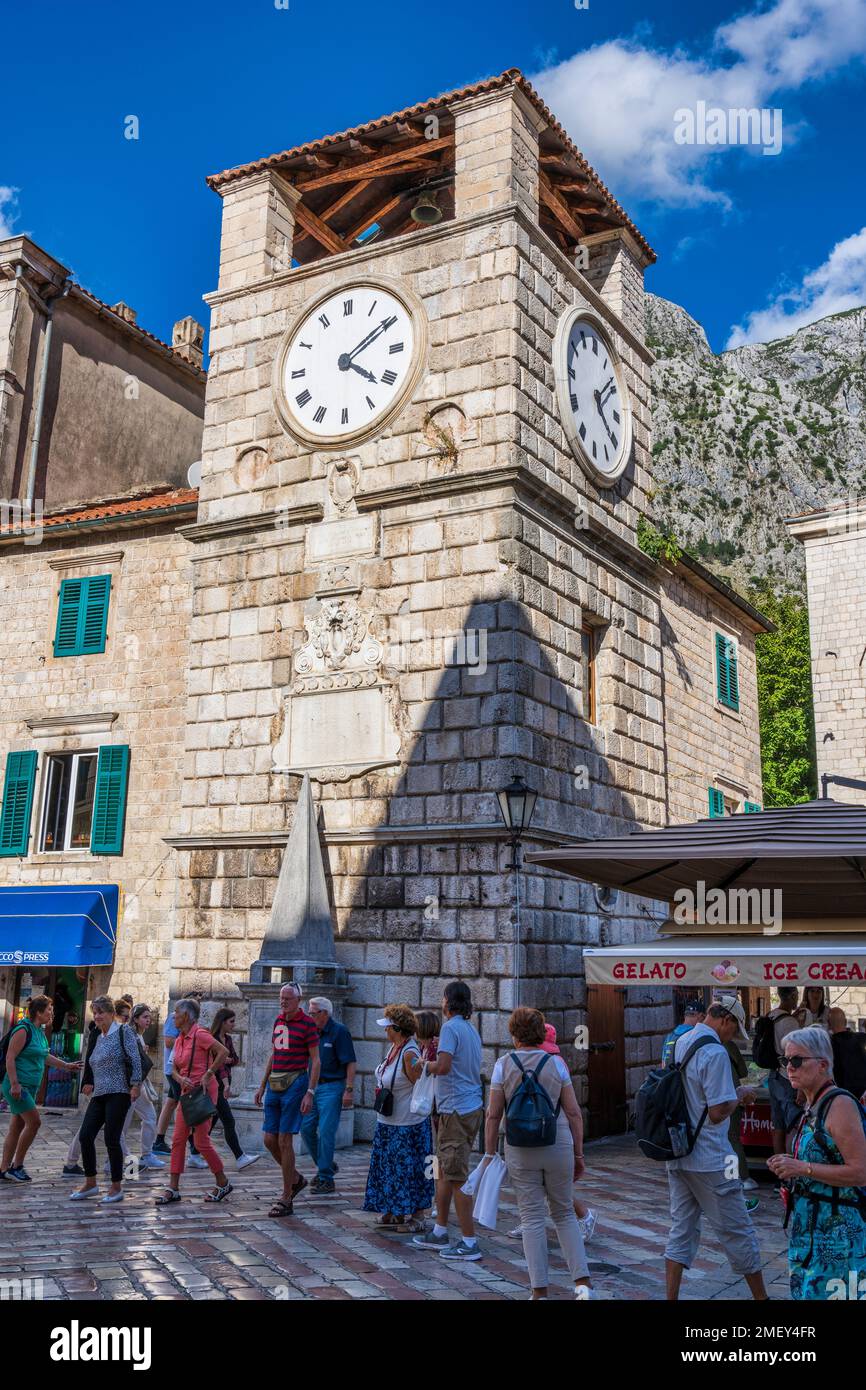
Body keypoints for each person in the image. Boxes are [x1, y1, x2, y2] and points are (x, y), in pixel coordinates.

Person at [486, 1007, 594, 1300]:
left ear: (514, 1034)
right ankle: (583, 1286)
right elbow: (574, 1113)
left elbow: (493, 1115)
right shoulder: (556, 1063)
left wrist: (489, 1153)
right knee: (564, 1213)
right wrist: (579, 1154)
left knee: (532, 1218)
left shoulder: (503, 1065)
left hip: (520, 1147)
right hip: (557, 1142)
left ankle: (539, 1292)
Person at [664, 999, 769, 1301]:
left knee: (681, 1230)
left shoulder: (681, 1042)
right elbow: (717, 1112)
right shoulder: (715, 1052)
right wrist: (741, 1095)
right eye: (734, 1030)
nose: (732, 1037)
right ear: (726, 1020)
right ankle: (762, 1299)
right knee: (738, 1229)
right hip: (711, 1157)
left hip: (679, 1152)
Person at [768, 1027, 866, 1299]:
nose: (789, 1067)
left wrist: (803, 1168)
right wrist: (792, 1164)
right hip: (810, 1231)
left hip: (837, 1237)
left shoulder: (840, 1105)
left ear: (823, 1064)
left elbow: (861, 1171)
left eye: (797, 1060)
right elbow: (825, 1156)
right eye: (786, 1060)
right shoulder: (812, 1104)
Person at [412, 980, 484, 1260]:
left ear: (448, 1001)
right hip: (465, 1106)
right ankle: (440, 1231)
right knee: (442, 1170)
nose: (441, 1003)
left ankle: (469, 1242)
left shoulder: (450, 1028)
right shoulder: (469, 1029)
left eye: (443, 998)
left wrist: (424, 1065)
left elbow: (443, 1067)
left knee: (456, 1176)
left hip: (455, 1109)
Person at [362, 1004, 434, 1232]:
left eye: (388, 1027)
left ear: (398, 1029)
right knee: (390, 1169)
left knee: (411, 1170)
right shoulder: (394, 1048)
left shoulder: (409, 1053)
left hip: (407, 1124)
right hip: (389, 1122)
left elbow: (418, 1083)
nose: (385, 1030)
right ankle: (394, 1211)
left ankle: (418, 1216)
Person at [154, 998, 232, 1206]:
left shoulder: (200, 1034)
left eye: (176, 1012)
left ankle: (223, 1181)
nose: (173, 1016)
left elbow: (223, 1052)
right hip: (187, 1093)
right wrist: (180, 1079)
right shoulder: (180, 1038)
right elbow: (174, 1068)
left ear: (187, 1016)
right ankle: (173, 1188)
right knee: (178, 1139)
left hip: (203, 1093)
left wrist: (208, 1073)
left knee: (200, 1141)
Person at [255, 983, 320, 1218]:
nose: (283, 1002)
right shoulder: (278, 1021)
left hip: (295, 1084)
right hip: (275, 1083)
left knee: (285, 1140)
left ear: (298, 1000)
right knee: (269, 1139)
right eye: (281, 998)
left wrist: (310, 1092)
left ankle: (286, 1196)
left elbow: (316, 1060)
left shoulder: (308, 1024)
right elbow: (274, 1054)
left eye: (288, 998)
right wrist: (262, 1085)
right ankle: (294, 1178)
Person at [70, 995, 142, 1204]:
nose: (97, 1016)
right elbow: (91, 1060)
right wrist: (88, 1081)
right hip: (100, 1094)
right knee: (86, 1136)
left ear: (111, 1013)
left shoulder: (123, 1031)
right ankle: (91, 1183)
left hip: (119, 1093)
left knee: (112, 1138)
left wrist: (135, 1085)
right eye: (95, 1012)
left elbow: (135, 1058)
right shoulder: (98, 1035)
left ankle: (116, 1187)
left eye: (101, 1012)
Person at [1, 996, 80, 1182]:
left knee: (17, 1126)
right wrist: (14, 1084)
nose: (52, 1013)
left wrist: (66, 1066)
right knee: (34, 1122)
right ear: (38, 1012)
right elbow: (10, 1057)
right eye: (49, 1009)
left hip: (30, 1087)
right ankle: (17, 1166)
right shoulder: (23, 1029)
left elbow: (44, 1057)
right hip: (18, 1086)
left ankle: (4, 1169)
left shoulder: (40, 1032)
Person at [300, 997, 355, 1193]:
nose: (309, 1016)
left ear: (324, 1013)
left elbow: (350, 1062)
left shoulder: (339, 1031)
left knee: (325, 1131)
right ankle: (327, 1165)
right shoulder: (311, 1032)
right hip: (312, 1087)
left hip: (332, 1087)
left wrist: (349, 1089)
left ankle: (325, 1178)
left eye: (312, 1013)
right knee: (306, 1128)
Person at [153, 996, 207, 1168]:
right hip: (176, 1070)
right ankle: (194, 1151)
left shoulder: (190, 1023)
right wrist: (188, 1038)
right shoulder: (174, 1017)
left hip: (179, 1069)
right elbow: (168, 1041)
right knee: (187, 1107)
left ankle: (159, 1141)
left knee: (171, 1104)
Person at [209, 1007, 260, 1172]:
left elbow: (235, 1059)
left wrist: (228, 1060)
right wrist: (226, 1081)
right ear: (222, 1022)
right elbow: (218, 1065)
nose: (234, 1024)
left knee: (211, 1120)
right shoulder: (213, 1039)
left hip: (224, 1084)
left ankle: (194, 1151)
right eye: (231, 1021)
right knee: (228, 1121)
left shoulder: (228, 1039)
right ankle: (240, 1157)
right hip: (216, 1085)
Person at [117, 1005, 164, 1171]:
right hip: (130, 1086)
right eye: (144, 1017)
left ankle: (147, 1154)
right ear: (135, 1019)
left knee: (150, 1117)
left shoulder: (140, 1036)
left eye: (149, 1017)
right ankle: (121, 1161)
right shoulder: (130, 1035)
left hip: (140, 1085)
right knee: (122, 1126)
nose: (148, 1020)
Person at [767, 987, 803, 1155]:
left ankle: (778, 1167)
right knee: (793, 1125)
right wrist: (800, 1086)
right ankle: (791, 1166)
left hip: (773, 1075)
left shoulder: (771, 1015)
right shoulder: (790, 1022)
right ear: (793, 995)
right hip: (787, 1077)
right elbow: (796, 1054)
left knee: (778, 1126)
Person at [828, 1007, 866, 1102]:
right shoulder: (862, 1038)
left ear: (828, 1024)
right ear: (845, 1022)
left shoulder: (829, 1046)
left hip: (844, 1096)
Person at [661, 1000, 706, 1068]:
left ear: (685, 1015)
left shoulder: (670, 1036)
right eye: (704, 1018)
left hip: (669, 1074)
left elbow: (663, 1064)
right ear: (700, 1016)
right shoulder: (696, 1036)